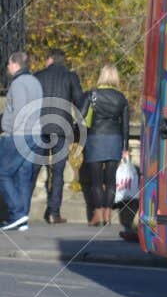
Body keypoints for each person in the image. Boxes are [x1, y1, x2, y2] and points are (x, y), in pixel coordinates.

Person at [33, 48, 84, 225]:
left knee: (33, 169)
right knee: (58, 172)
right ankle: (54, 213)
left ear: (50, 60)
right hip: (62, 128)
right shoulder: (71, 77)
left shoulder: (38, 76)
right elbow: (80, 101)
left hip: (40, 126)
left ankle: (22, 210)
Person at [80, 64, 130, 228]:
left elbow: (80, 117)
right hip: (115, 140)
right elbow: (125, 126)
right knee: (110, 181)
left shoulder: (92, 94)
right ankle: (108, 215)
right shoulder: (121, 98)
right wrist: (125, 146)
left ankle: (98, 215)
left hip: (95, 139)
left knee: (96, 182)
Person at [0, 52, 42, 232]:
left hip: (19, 135)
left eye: (8, 64)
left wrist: (10, 131)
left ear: (15, 64)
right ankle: (22, 218)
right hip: (35, 134)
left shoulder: (18, 84)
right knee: (23, 177)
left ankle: (17, 213)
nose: (7, 68)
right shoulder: (35, 82)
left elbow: (19, 111)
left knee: (3, 173)